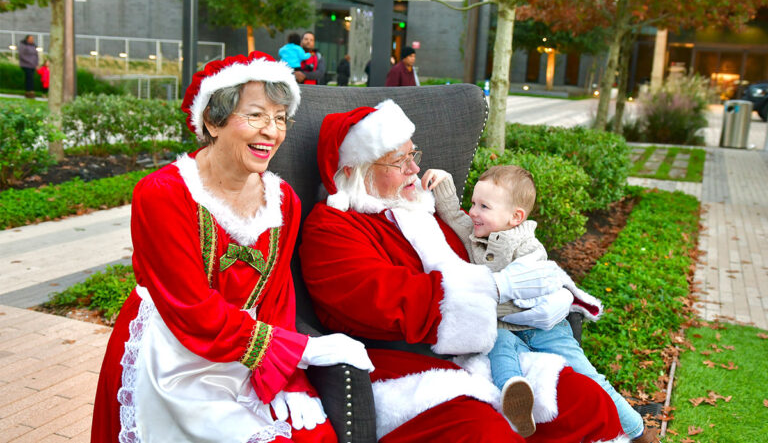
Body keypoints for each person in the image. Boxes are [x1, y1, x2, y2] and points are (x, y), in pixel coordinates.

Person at [300, 99, 629, 443]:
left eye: (414, 155)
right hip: (405, 365)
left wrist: (552, 293)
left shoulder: (423, 207)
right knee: (485, 433)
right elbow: (381, 297)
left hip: (488, 355)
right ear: (355, 170)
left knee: (586, 402)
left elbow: (498, 248)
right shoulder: (331, 227)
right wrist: (496, 288)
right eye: (400, 162)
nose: (414, 169)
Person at [91, 51, 374, 443]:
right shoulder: (163, 195)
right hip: (173, 360)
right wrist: (302, 350)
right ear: (212, 120)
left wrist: (290, 379)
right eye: (256, 115)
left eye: (279, 118)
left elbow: (276, 296)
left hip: (247, 356)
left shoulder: (283, 200)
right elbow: (190, 308)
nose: (271, 132)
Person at [424, 164, 658, 443]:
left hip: (545, 327)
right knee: (499, 352)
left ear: (515, 216)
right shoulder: (476, 234)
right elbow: (453, 215)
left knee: (586, 372)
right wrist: (444, 181)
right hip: (503, 328)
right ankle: (515, 399)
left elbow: (528, 292)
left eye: (483, 206)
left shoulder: (529, 248)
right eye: (473, 203)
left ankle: (637, 431)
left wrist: (483, 304)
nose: (473, 212)